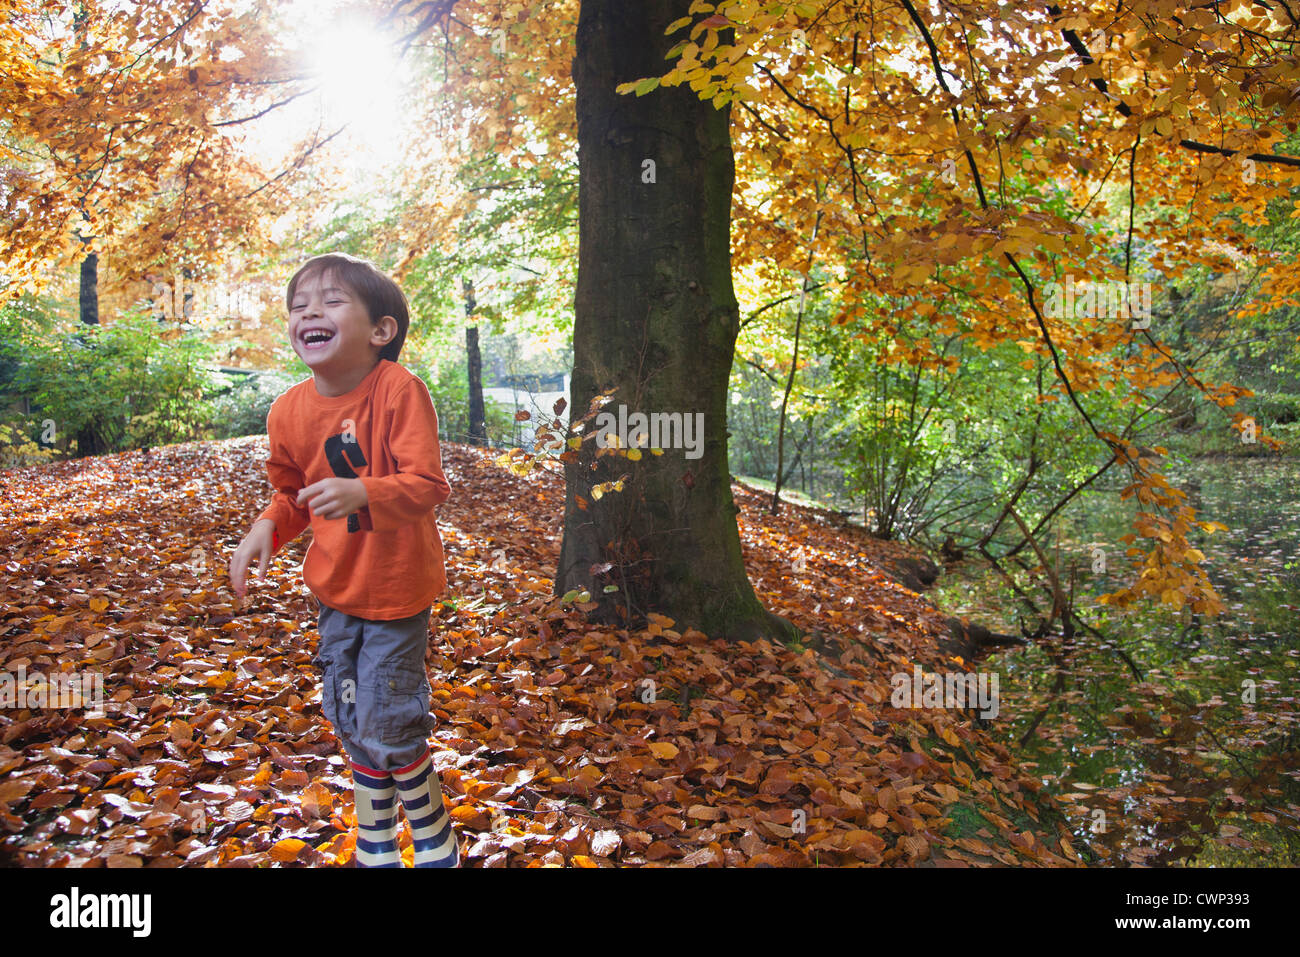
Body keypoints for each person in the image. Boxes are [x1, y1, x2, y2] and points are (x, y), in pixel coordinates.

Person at [228, 252, 458, 868]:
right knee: (348, 713)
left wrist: (367, 491)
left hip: (397, 590)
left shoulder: (398, 390)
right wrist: (264, 531)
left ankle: (433, 829)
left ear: (380, 331)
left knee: (387, 717)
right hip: (334, 591)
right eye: (299, 306)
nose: (309, 313)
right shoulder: (287, 411)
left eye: (330, 302)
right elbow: (290, 495)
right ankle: (377, 837)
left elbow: (429, 484)